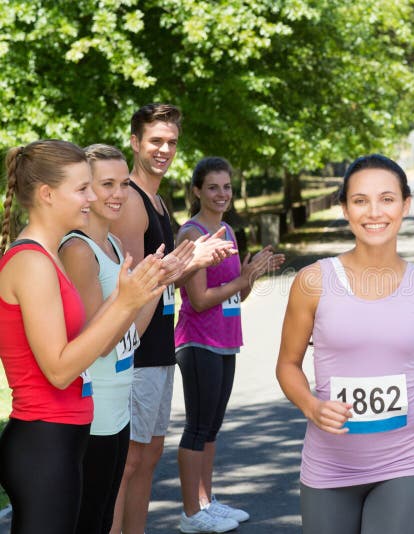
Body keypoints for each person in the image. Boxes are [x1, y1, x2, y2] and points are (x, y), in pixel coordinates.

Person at [276, 154, 414, 534]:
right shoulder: (313, 282)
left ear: (406, 205)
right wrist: (311, 405)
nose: (374, 212)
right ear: (344, 208)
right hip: (330, 461)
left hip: (405, 457)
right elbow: (288, 365)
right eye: (360, 200)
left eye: (387, 199)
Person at [0, 140, 165, 534]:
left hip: (65, 435)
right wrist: (126, 303)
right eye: (82, 188)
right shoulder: (32, 262)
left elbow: (89, 334)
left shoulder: (49, 255)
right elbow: (59, 369)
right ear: (46, 194)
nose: (92, 197)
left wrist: (140, 291)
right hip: (44, 441)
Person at [109, 103, 236, 534]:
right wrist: (191, 260)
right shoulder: (130, 200)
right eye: (155, 141)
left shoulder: (159, 202)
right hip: (136, 349)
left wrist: (194, 260)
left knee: (148, 458)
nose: (164, 149)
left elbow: (163, 280)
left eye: (171, 142)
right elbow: (133, 284)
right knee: (128, 462)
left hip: (161, 348)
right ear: (134, 143)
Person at [59, 144, 184, 534]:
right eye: (106, 184)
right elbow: (102, 339)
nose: (118, 194)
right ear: (86, 190)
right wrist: (138, 295)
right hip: (92, 412)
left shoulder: (113, 244)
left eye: (124, 184)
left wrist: (153, 284)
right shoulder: (79, 249)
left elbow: (132, 334)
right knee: (91, 518)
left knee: (102, 513)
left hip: (119, 406)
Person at [175, 156, 285, 533]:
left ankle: (208, 501)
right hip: (197, 341)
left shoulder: (228, 231)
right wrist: (242, 280)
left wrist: (253, 273)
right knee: (197, 426)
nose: (221, 194)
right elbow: (201, 298)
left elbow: (239, 293)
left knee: (213, 427)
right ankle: (191, 513)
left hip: (225, 339)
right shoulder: (192, 236)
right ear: (197, 191)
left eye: (227, 187)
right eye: (213, 187)